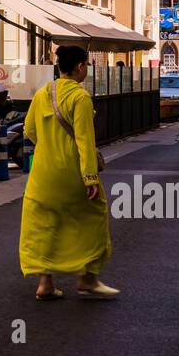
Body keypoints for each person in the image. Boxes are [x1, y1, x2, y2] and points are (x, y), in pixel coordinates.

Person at [19, 44, 118, 301]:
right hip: (71, 173)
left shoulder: (43, 93)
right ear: (80, 67)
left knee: (45, 227)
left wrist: (49, 147)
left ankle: (45, 284)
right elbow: (85, 142)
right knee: (93, 219)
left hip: (41, 175)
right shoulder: (80, 97)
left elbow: (29, 130)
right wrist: (90, 177)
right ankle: (88, 279)